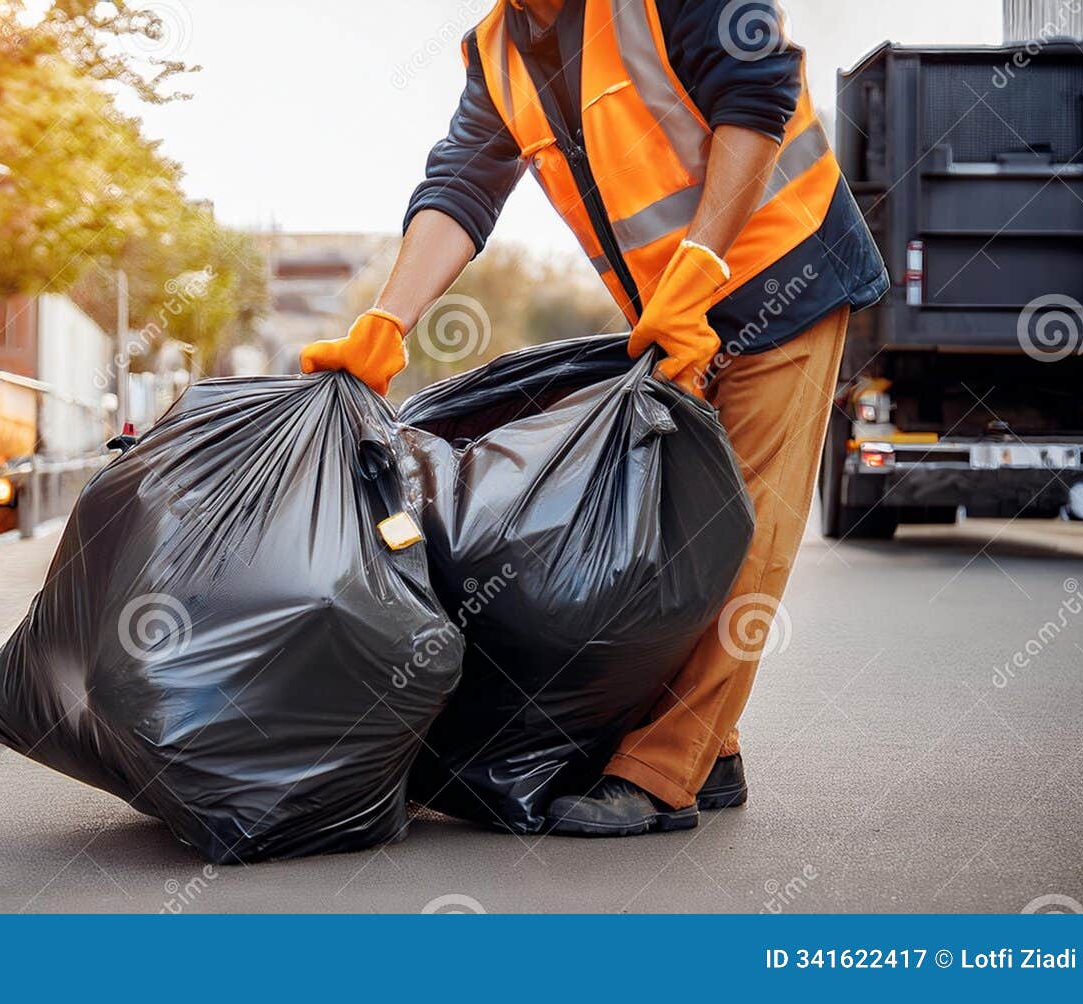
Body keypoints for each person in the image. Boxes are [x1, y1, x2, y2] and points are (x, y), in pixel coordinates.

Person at [301, 0, 887, 836]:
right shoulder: (499, 50)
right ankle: (711, 750)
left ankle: (662, 769)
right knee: (674, 536)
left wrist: (702, 263)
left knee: (744, 536)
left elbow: (759, 94)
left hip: (783, 275)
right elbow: (463, 184)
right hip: (673, 319)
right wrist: (388, 320)